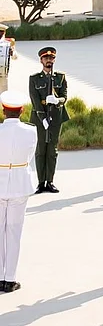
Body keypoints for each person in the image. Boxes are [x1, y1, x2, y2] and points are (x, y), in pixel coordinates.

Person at [0, 92, 36, 293]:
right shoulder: (31, 131)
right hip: (19, 184)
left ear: (3, 110)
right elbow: (29, 157)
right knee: (14, 231)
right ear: (21, 110)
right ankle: (10, 278)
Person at [29, 47, 68, 194]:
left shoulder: (60, 77)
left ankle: (50, 181)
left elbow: (64, 96)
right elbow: (35, 100)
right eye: (46, 58)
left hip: (56, 116)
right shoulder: (34, 78)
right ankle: (41, 182)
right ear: (41, 60)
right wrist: (42, 118)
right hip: (40, 118)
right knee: (40, 150)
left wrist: (57, 100)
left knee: (52, 150)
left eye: (51, 58)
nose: (49, 60)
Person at [0, 26, 15, 94]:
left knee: (3, 93)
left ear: (4, 33)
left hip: (3, 74)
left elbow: (15, 57)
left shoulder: (9, 42)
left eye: (1, 32)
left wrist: (12, 53)